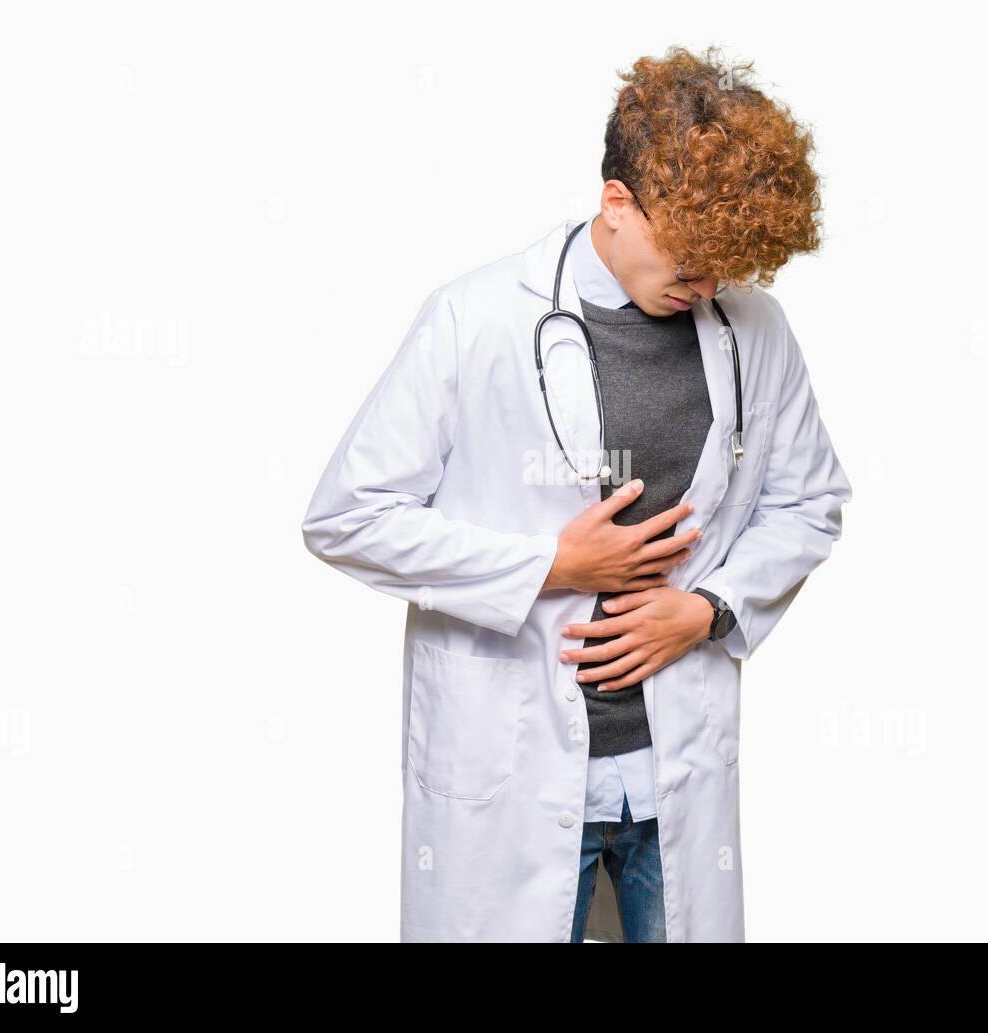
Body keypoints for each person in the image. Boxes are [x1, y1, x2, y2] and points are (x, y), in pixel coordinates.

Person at [301, 45, 852, 942]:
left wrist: (706, 609)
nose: (709, 286)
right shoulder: (475, 319)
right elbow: (346, 515)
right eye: (691, 258)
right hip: (510, 767)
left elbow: (810, 501)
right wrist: (550, 564)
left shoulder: (754, 330)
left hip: (669, 770)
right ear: (617, 204)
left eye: (728, 266)